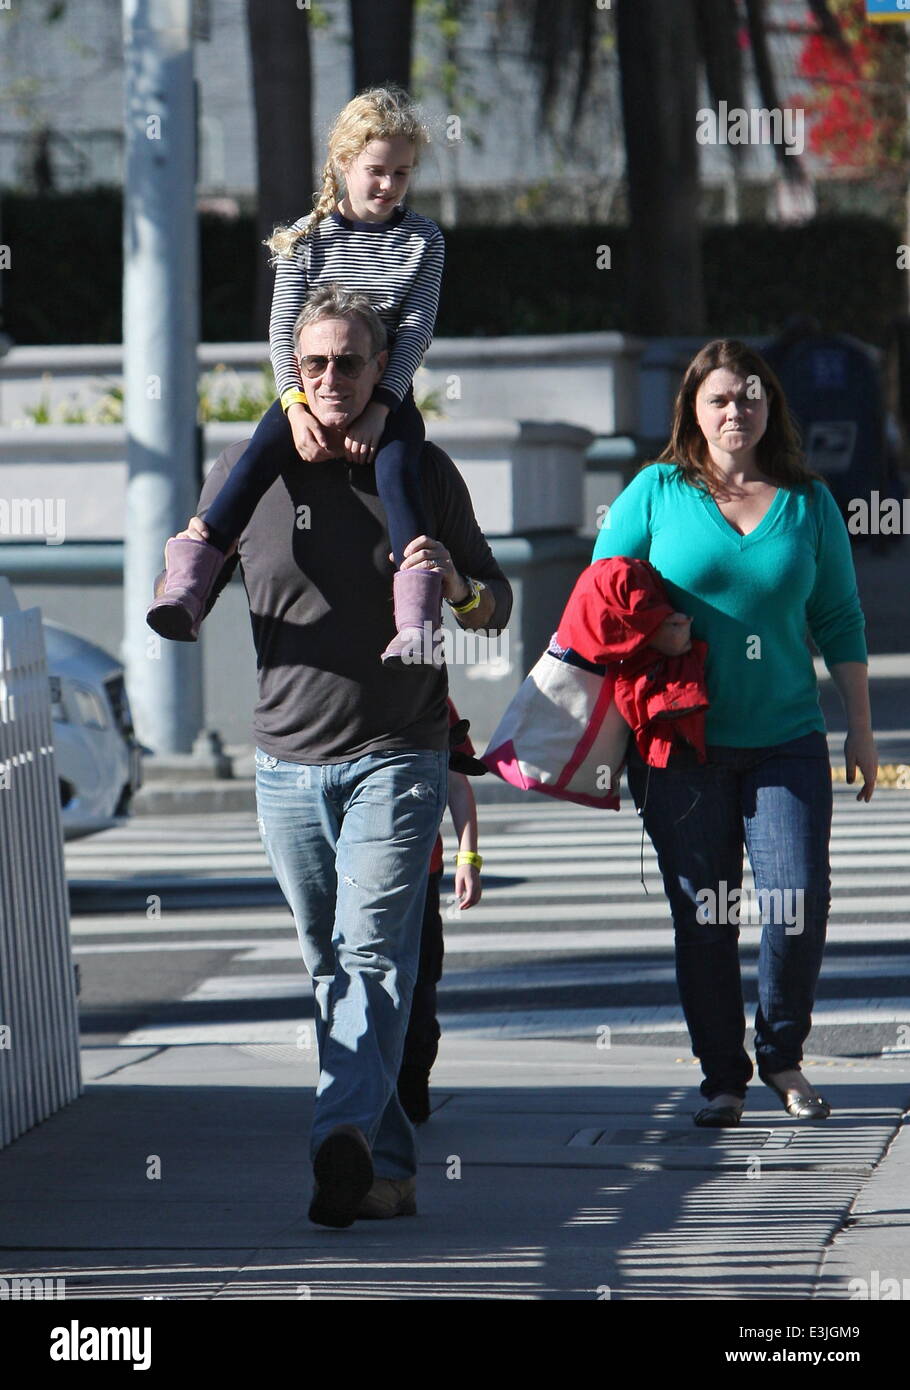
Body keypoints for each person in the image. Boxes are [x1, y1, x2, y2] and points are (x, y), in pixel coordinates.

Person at [165, 286, 511, 1225]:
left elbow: (497, 601)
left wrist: (460, 591)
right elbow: (195, 564)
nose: (329, 380)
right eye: (312, 364)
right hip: (284, 759)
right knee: (331, 962)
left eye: (348, 363)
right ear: (293, 369)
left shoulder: (420, 471)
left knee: (375, 954)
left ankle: (334, 1138)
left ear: (381, 369)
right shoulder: (249, 471)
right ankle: (384, 1165)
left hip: (398, 748)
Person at [592, 339, 877, 1128]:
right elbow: (602, 601)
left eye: (749, 397)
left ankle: (782, 1054)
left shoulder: (808, 501)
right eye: (718, 398)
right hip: (682, 746)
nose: (734, 411)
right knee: (706, 915)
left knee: (795, 901)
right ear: (692, 409)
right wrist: (662, 637)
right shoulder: (653, 493)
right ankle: (723, 1075)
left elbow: (839, 619)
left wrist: (860, 728)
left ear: (769, 408)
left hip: (786, 736)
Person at [147, 85, 446, 667]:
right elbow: (284, 331)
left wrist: (383, 406)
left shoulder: (423, 240)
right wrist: (294, 407)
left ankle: (415, 620)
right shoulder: (305, 239)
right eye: (376, 170)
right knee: (253, 461)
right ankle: (187, 584)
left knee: (401, 469)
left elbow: (415, 329)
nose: (388, 186)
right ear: (343, 163)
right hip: (308, 397)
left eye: (402, 173)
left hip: (383, 389)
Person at [395, 699, 482, 1139]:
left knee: (420, 983)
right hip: (351, 873)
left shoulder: (429, 689)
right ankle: (361, 1092)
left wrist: (469, 859)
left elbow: (458, 783)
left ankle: (411, 1091)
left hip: (421, 871)